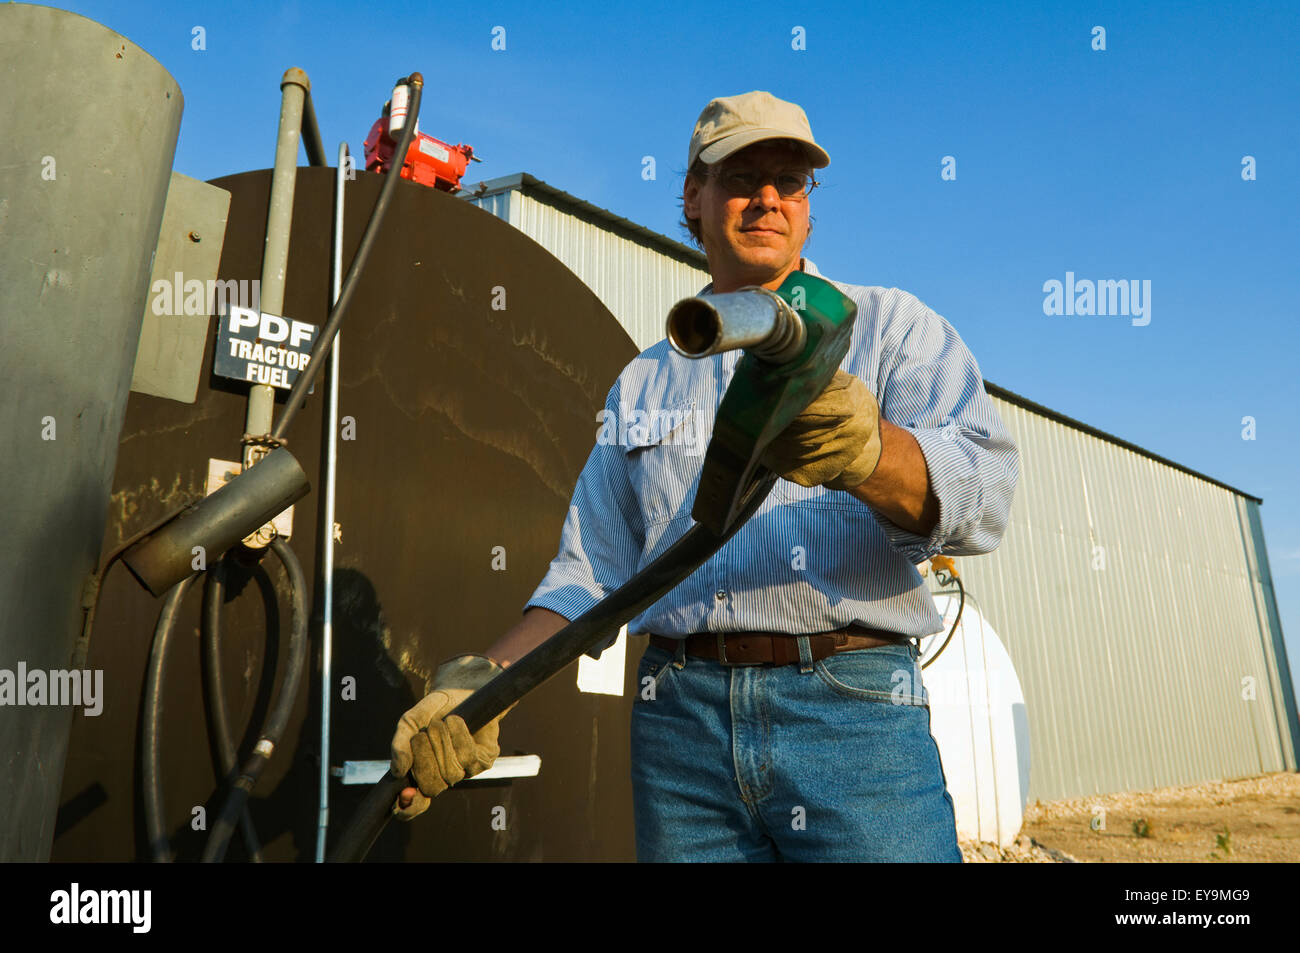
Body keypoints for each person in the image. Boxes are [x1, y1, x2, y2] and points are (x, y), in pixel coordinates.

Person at [390, 90, 1020, 862]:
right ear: (694, 195)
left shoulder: (890, 328)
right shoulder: (645, 383)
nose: (767, 198)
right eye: (741, 175)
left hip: (853, 711)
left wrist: (870, 451)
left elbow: (985, 498)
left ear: (809, 208)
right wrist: (484, 683)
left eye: (789, 181)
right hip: (679, 723)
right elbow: (591, 574)